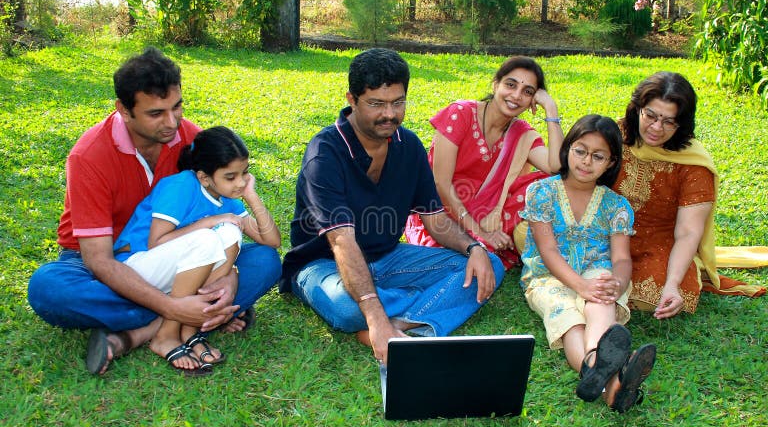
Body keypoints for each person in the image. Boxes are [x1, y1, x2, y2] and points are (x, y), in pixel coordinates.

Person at [27, 48, 281, 375]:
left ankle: (142, 331)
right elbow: (98, 260)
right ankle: (191, 317)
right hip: (106, 259)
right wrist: (171, 304)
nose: (172, 122)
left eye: (177, 107)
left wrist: (230, 281)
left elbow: (235, 225)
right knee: (50, 288)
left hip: (186, 254)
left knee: (264, 261)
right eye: (156, 113)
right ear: (124, 110)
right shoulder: (89, 156)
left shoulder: (190, 138)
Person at [280, 48, 505, 363]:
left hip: (388, 259)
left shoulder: (409, 146)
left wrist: (473, 248)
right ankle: (393, 309)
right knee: (348, 308)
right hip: (322, 263)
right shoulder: (325, 153)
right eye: (376, 104)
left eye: (397, 102)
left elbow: (435, 219)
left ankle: (399, 325)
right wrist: (371, 311)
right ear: (352, 99)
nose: (389, 114)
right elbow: (341, 240)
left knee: (488, 266)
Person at [113, 126, 281, 375]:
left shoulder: (229, 198)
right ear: (204, 177)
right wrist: (206, 223)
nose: (240, 182)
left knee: (233, 234)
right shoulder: (180, 186)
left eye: (244, 173)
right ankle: (166, 334)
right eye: (231, 177)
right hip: (137, 268)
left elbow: (272, 241)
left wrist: (251, 196)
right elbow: (157, 242)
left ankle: (189, 329)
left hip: (182, 277)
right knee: (208, 236)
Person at [519, 114, 656, 413]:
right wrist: (581, 285)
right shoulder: (541, 193)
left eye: (598, 156)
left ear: (610, 163)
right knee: (570, 323)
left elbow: (621, 258)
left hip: (598, 272)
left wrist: (616, 283)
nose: (586, 161)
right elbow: (548, 251)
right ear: (568, 149)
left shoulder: (616, 205)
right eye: (580, 151)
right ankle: (608, 376)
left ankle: (598, 373)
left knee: (601, 303)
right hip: (547, 277)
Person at [405, 56, 564, 268]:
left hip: (489, 213)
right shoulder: (460, 114)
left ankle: (497, 239)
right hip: (442, 211)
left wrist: (551, 109)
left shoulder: (521, 133)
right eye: (510, 84)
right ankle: (480, 241)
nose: (516, 96)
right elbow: (440, 183)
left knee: (548, 184)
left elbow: (557, 167)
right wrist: (479, 232)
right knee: (451, 251)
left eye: (528, 92)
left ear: (533, 101)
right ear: (495, 84)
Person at [611, 72, 720, 319]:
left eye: (669, 121)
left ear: (682, 123)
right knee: (528, 233)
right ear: (637, 108)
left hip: (658, 244)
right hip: (603, 234)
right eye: (650, 115)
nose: (656, 128)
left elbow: (688, 232)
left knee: (658, 295)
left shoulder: (694, 164)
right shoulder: (614, 135)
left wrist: (672, 282)